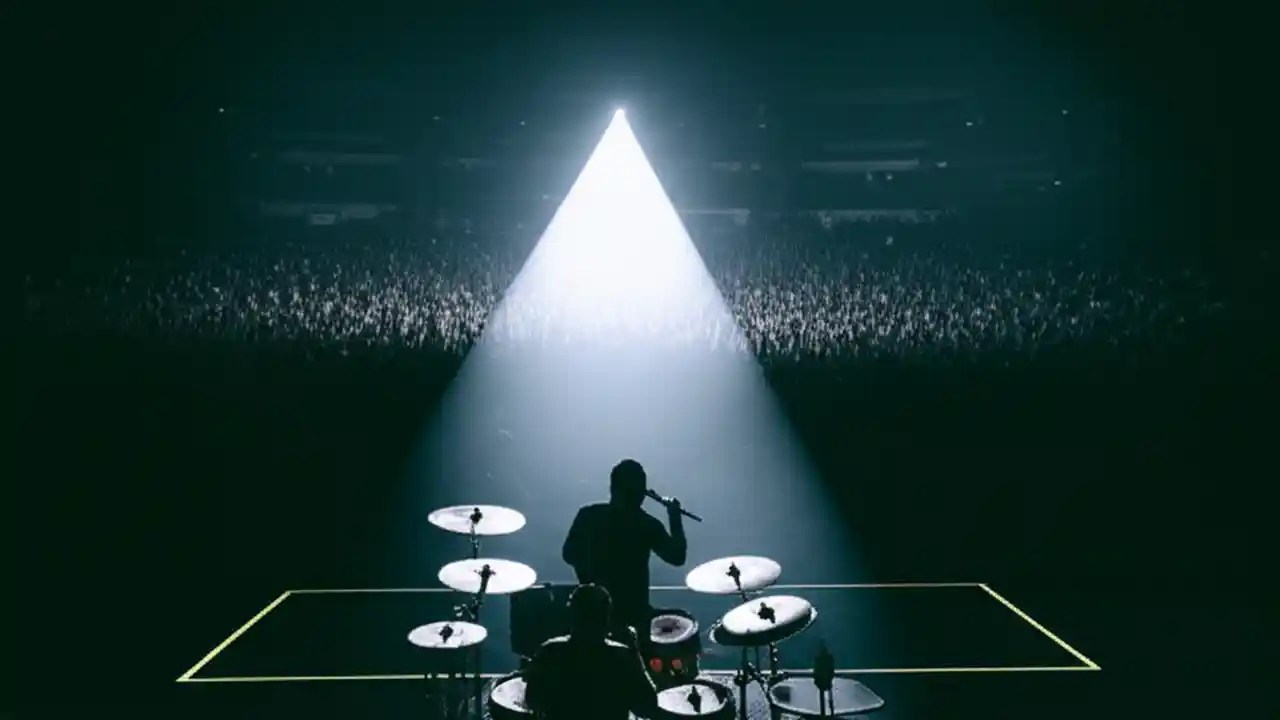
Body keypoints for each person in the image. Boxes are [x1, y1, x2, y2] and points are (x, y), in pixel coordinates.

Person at [561, 459, 688, 637]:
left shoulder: (589, 515)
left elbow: (568, 554)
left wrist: (590, 578)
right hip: (635, 615)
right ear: (642, 493)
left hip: (590, 613)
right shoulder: (647, 524)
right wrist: (675, 517)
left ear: (612, 488)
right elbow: (677, 557)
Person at [524, 583, 659, 720]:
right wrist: (634, 651)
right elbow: (648, 707)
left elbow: (532, 701)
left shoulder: (550, 652)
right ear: (607, 617)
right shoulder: (622, 658)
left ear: (571, 614)